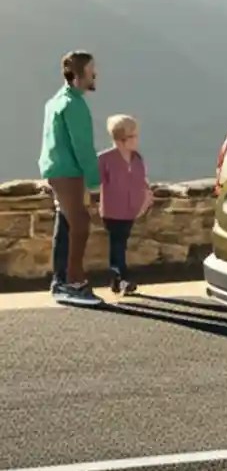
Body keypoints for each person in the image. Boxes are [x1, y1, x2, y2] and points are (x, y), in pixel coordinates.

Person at [39, 50, 103, 306]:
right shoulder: (73, 105)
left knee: (66, 225)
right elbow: (83, 148)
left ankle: (61, 281)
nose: (95, 74)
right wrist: (95, 183)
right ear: (77, 75)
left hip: (57, 170)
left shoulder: (57, 100)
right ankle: (73, 283)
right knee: (80, 224)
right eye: (91, 70)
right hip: (68, 172)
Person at [97, 114, 153, 295]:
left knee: (120, 245)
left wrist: (145, 200)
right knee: (118, 245)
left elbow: (142, 181)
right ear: (121, 140)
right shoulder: (104, 159)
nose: (137, 140)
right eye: (133, 136)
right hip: (113, 211)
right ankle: (123, 279)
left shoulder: (137, 158)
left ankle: (115, 281)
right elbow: (92, 181)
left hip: (132, 211)